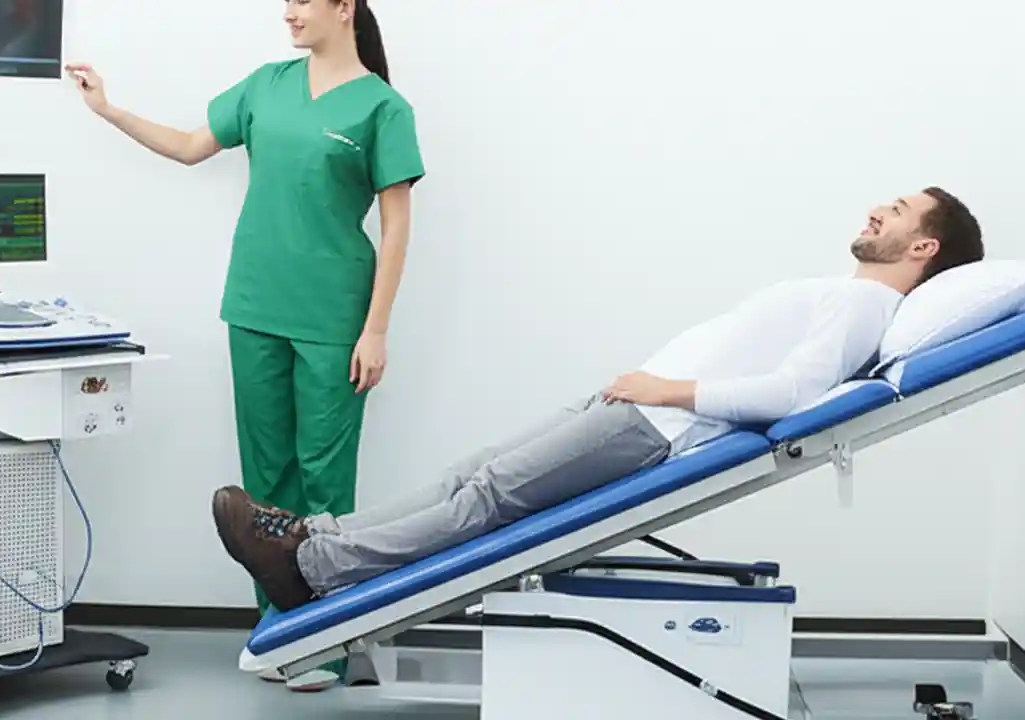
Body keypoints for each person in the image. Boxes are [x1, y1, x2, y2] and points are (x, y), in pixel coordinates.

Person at [212, 187, 985, 613]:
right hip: (636, 407)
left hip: (655, 422)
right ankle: (313, 534)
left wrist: (665, 388)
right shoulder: (846, 295)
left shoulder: (863, 308)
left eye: (899, 211)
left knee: (485, 497)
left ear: (924, 248)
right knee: (469, 477)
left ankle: (311, 564)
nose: (877, 209)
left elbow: (796, 393)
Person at [66, 0, 424, 691]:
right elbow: (190, 144)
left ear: (344, 7)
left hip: (334, 317)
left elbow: (398, 225)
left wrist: (376, 328)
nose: (287, 12)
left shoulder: (383, 109)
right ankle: (278, 628)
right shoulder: (266, 85)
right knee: (265, 482)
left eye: (301, 0)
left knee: (324, 480)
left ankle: (324, 636)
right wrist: (109, 109)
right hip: (255, 304)